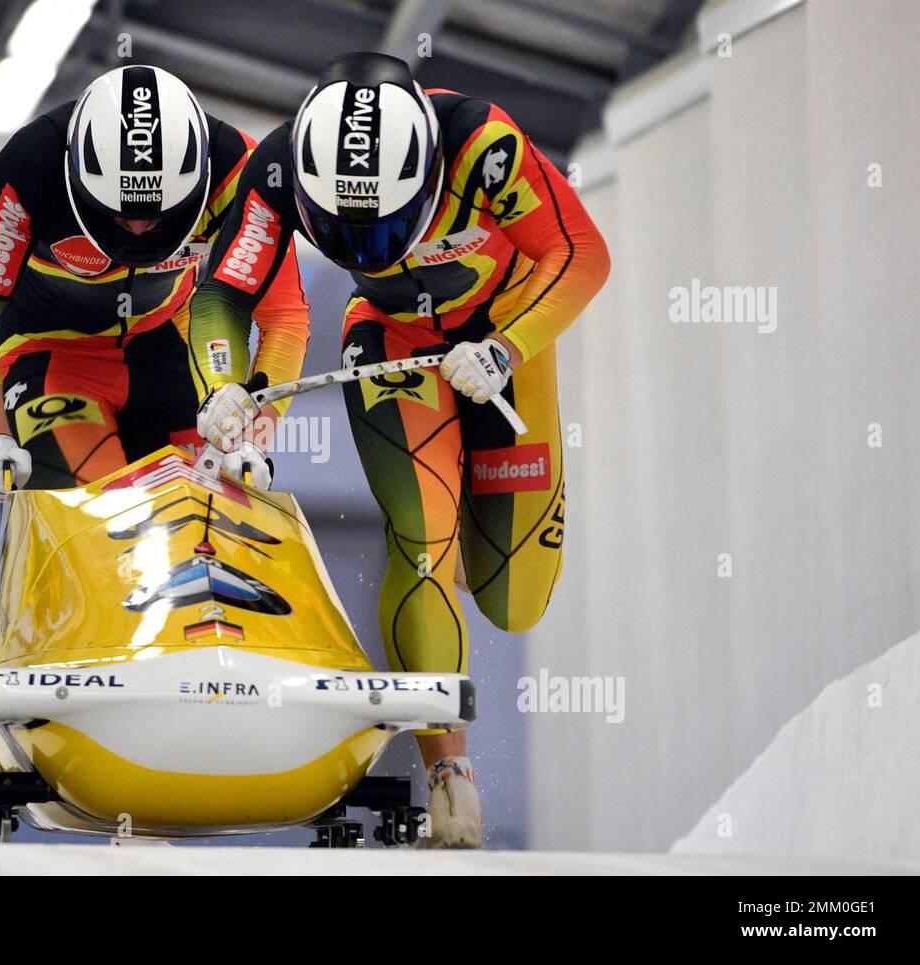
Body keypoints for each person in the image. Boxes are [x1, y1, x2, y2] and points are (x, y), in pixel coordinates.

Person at [191, 52, 610, 847]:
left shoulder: (485, 145)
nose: (372, 246)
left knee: (515, 598)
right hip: (391, 339)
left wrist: (508, 350)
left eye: (388, 223)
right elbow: (221, 293)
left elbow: (582, 254)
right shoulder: (278, 169)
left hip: (504, 333)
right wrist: (222, 384)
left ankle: (465, 558)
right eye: (349, 234)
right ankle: (451, 771)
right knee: (423, 539)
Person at [0, 65, 309, 499]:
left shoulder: (239, 168)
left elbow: (282, 315)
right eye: (119, 213)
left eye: (158, 216)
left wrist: (252, 433)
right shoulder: (32, 164)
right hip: (50, 355)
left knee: (203, 520)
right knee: (103, 514)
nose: (137, 230)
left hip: (173, 344)